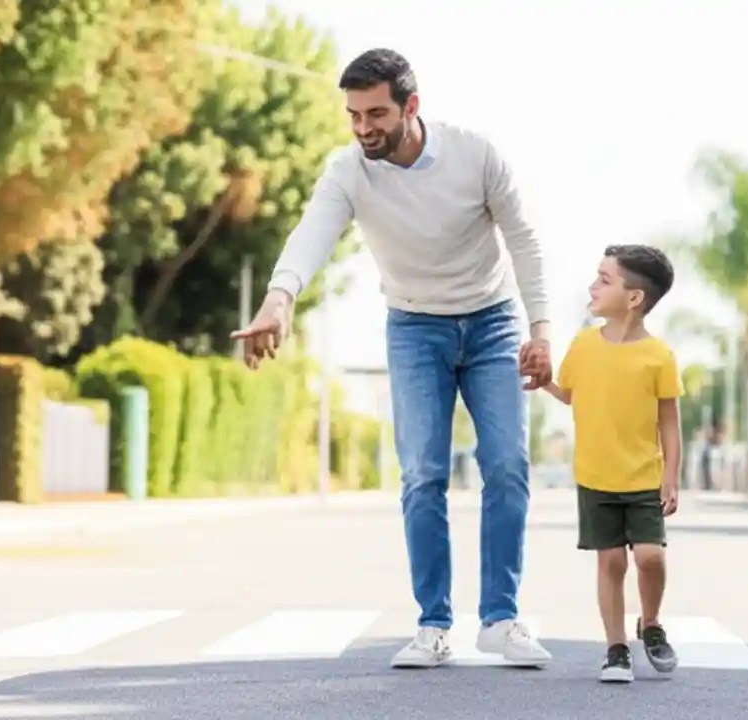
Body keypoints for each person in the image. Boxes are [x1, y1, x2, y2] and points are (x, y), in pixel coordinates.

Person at [231, 48, 554, 670]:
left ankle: (501, 619)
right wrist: (279, 298)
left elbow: (524, 241)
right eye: (353, 115)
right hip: (413, 326)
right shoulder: (349, 170)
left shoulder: (475, 155)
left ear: (411, 105)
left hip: (491, 321)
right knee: (422, 474)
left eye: (375, 113)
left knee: (508, 467)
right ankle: (434, 625)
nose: (363, 128)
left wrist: (540, 329)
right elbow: (311, 233)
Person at [537, 244, 683, 683]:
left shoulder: (659, 356)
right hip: (595, 477)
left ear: (634, 298)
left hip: (643, 477)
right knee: (611, 564)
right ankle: (616, 648)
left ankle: (651, 623)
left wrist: (671, 477)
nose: (592, 286)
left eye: (604, 279)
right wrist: (545, 384)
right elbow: (571, 395)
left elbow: (670, 424)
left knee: (650, 558)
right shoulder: (582, 346)